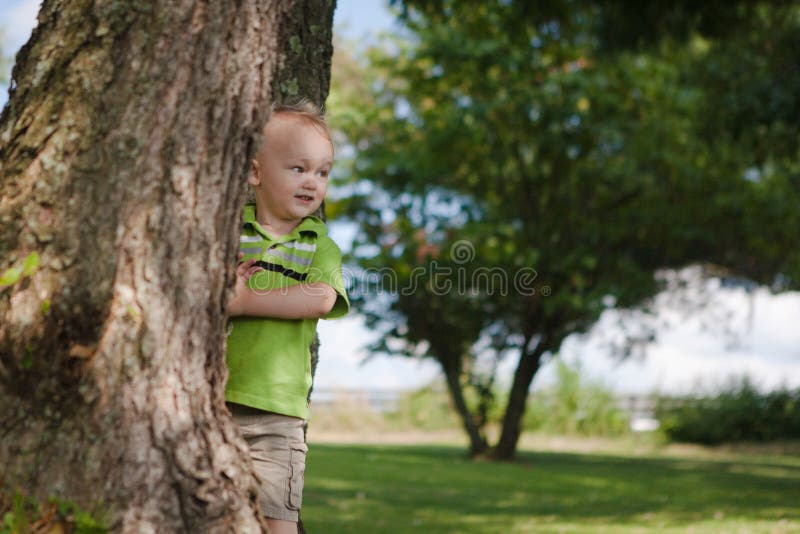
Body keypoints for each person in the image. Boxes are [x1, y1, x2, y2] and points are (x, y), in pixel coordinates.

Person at [226, 101, 349, 534]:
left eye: (323, 172)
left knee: (278, 524)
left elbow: (318, 297)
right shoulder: (226, 231)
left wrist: (241, 301)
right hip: (212, 405)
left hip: (278, 415)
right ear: (255, 173)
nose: (313, 182)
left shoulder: (319, 245)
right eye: (298, 168)